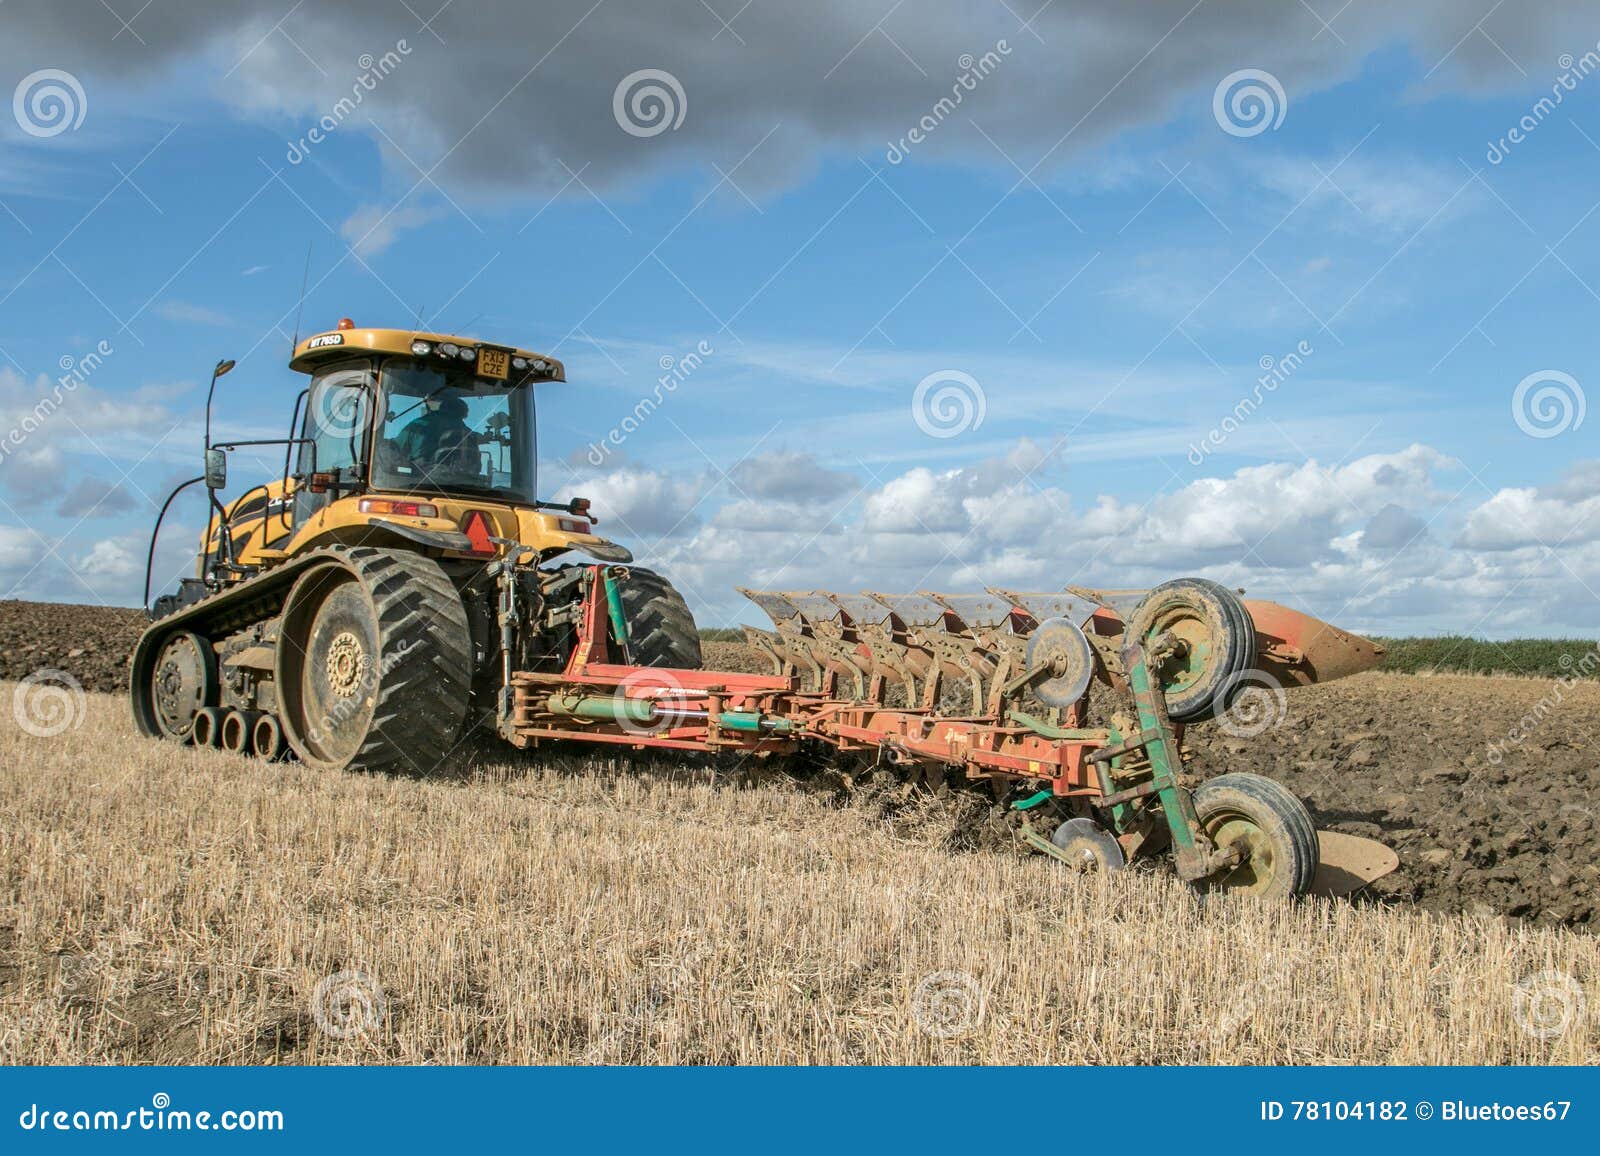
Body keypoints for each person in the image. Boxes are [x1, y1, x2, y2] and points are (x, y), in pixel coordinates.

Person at [395, 392, 476, 470]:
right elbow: (475, 462)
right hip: (462, 480)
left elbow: (395, 448)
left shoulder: (419, 424)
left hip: (417, 477)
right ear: (462, 414)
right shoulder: (465, 431)